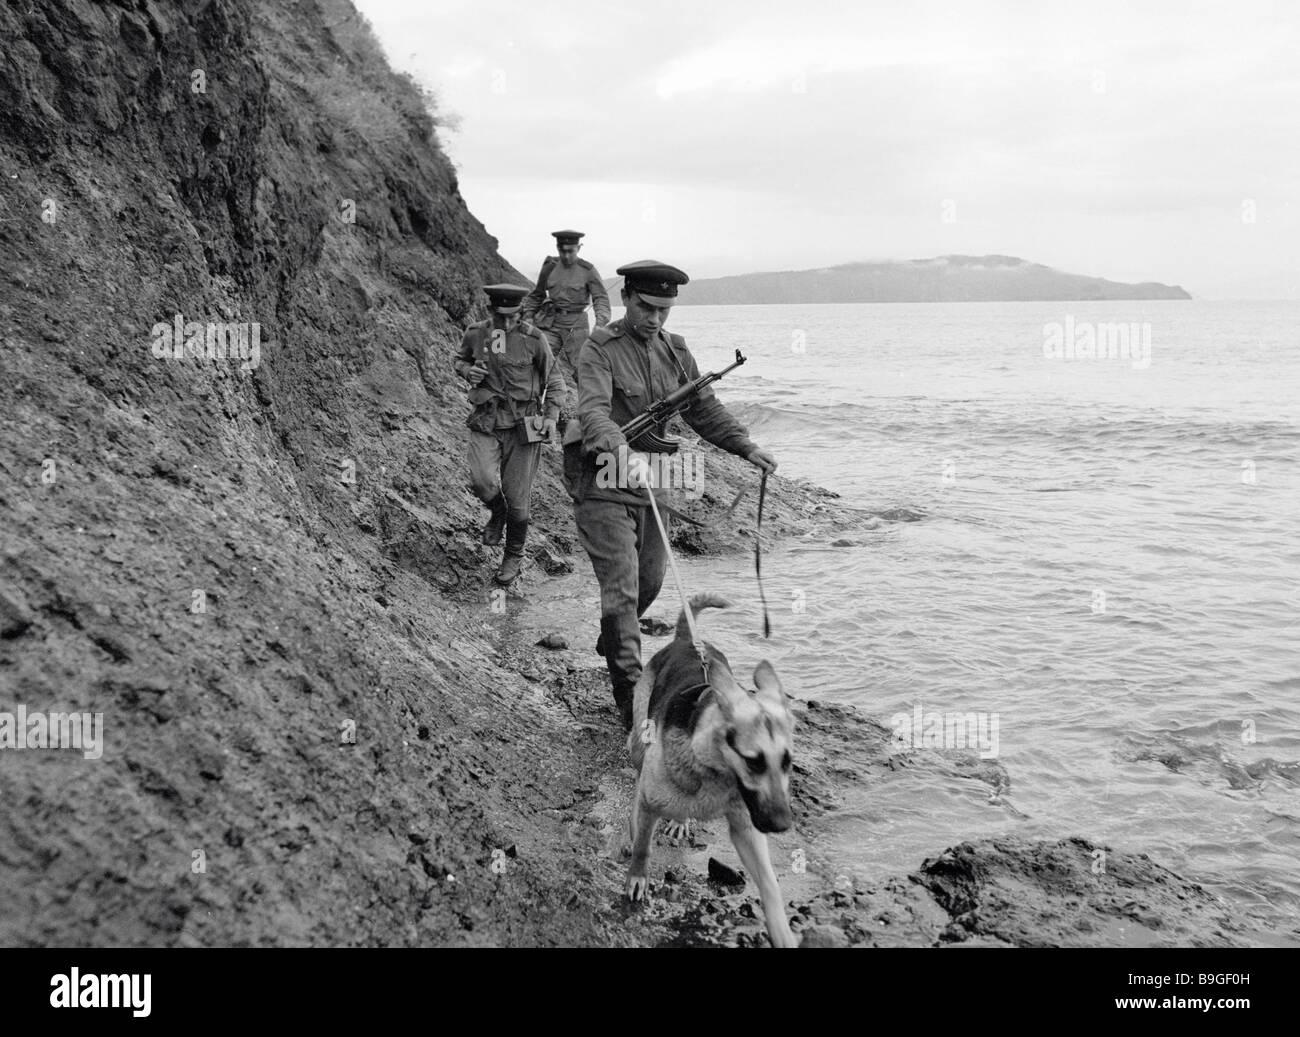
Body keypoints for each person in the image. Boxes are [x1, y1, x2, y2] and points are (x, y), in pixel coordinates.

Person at [568, 260, 778, 730]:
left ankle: (613, 633)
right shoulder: (598, 349)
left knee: (651, 581)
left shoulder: (677, 352)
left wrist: (747, 447)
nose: (655, 319)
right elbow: (595, 412)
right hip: (601, 477)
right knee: (621, 589)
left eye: (664, 310)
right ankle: (629, 699)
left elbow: (704, 409)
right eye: (646, 307)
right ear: (626, 297)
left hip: (653, 480)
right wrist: (620, 449)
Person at [454, 283, 566, 584]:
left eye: (513, 317)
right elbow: (460, 359)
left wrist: (551, 417)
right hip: (486, 420)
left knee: (519, 498)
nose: (506, 323)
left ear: (521, 313)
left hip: (522, 427)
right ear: (490, 310)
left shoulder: (534, 339)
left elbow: (555, 381)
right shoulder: (476, 333)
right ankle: (497, 512)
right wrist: (468, 372)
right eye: (500, 317)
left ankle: (513, 554)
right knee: (481, 480)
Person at [521, 230, 611, 425]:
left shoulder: (588, 270)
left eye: (571, 251)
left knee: (584, 372)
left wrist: (600, 324)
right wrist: (527, 317)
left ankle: (592, 419)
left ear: (579, 248)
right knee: (537, 363)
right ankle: (539, 416)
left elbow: (601, 299)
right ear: (558, 248)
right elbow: (536, 295)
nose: (567, 256)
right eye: (563, 251)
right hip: (551, 324)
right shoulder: (550, 267)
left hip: (577, 327)